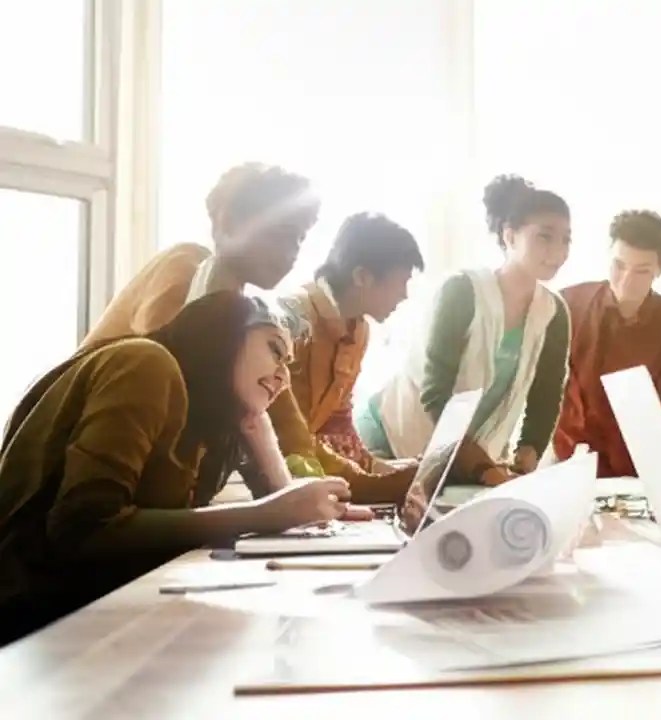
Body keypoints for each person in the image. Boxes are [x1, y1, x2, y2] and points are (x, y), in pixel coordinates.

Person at [0, 293, 352, 645]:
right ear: (224, 334)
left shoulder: (216, 421)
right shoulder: (146, 364)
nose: (283, 378)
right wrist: (260, 514)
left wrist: (263, 443)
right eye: (275, 351)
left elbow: (285, 514)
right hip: (30, 623)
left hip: (90, 616)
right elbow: (82, 526)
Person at [82, 162, 321, 496]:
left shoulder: (240, 311)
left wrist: (308, 483)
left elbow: (279, 413)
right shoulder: (186, 268)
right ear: (227, 223)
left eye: (299, 238)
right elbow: (173, 375)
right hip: (99, 456)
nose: (292, 251)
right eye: (280, 233)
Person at [356, 174, 571, 486]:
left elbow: (546, 395)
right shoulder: (462, 291)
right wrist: (483, 469)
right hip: (394, 436)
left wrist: (530, 451)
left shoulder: (553, 312)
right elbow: (436, 395)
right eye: (545, 237)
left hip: (465, 455)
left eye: (566, 239)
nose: (559, 251)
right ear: (510, 236)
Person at [269, 212, 425, 503]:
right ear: (361, 276)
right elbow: (286, 432)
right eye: (401, 282)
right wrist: (367, 482)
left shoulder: (359, 328)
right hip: (273, 471)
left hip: (307, 464)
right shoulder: (293, 318)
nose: (404, 295)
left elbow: (336, 422)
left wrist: (377, 468)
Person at [552, 210, 661, 477]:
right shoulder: (567, 305)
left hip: (634, 466)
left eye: (642, 271)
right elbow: (542, 389)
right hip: (567, 461)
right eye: (619, 265)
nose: (627, 280)